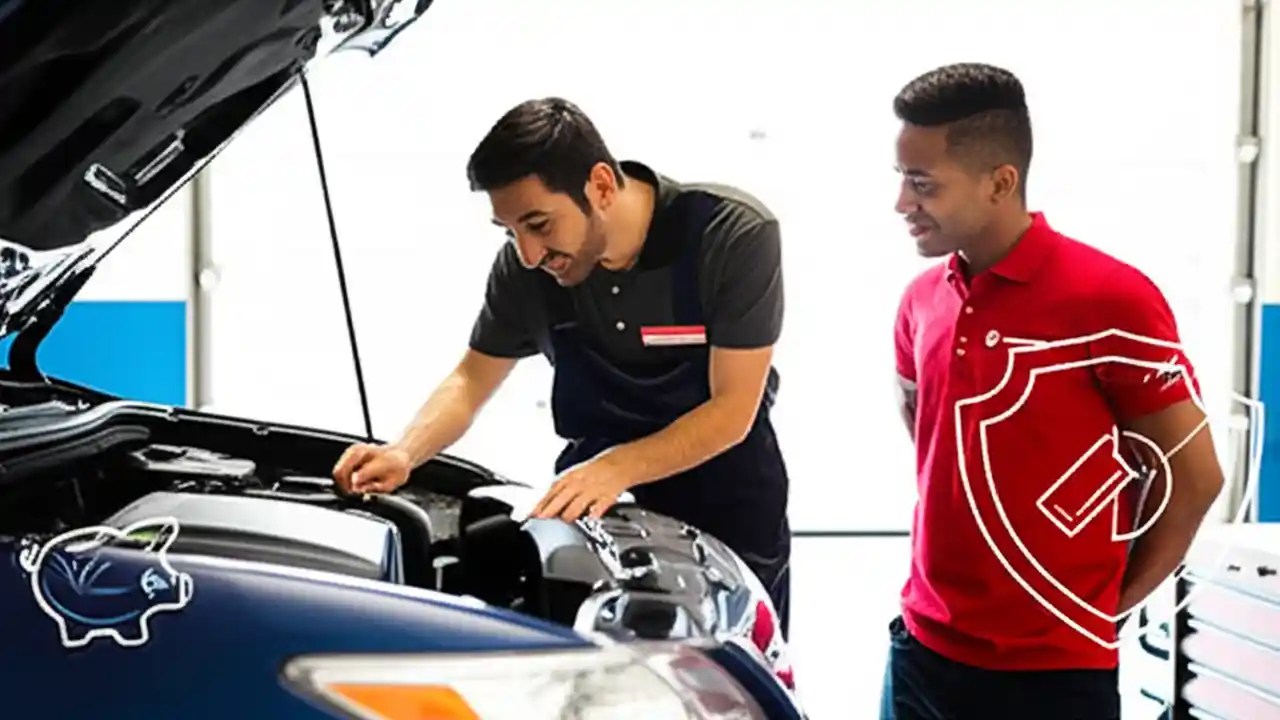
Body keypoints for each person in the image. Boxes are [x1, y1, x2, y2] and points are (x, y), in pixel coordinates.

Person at [331, 97, 792, 633]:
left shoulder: (731, 235)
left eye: (538, 224)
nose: (528, 254)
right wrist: (404, 452)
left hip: (729, 512)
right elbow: (470, 379)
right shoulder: (530, 269)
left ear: (600, 186)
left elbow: (732, 410)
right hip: (600, 513)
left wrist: (616, 467)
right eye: (510, 232)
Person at [883, 63, 1225, 719]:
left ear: (1000, 182)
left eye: (922, 183)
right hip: (921, 651)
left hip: (1053, 675)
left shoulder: (1110, 297)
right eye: (901, 178)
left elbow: (1194, 476)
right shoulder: (920, 300)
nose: (902, 202)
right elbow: (933, 444)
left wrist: (1106, 609)